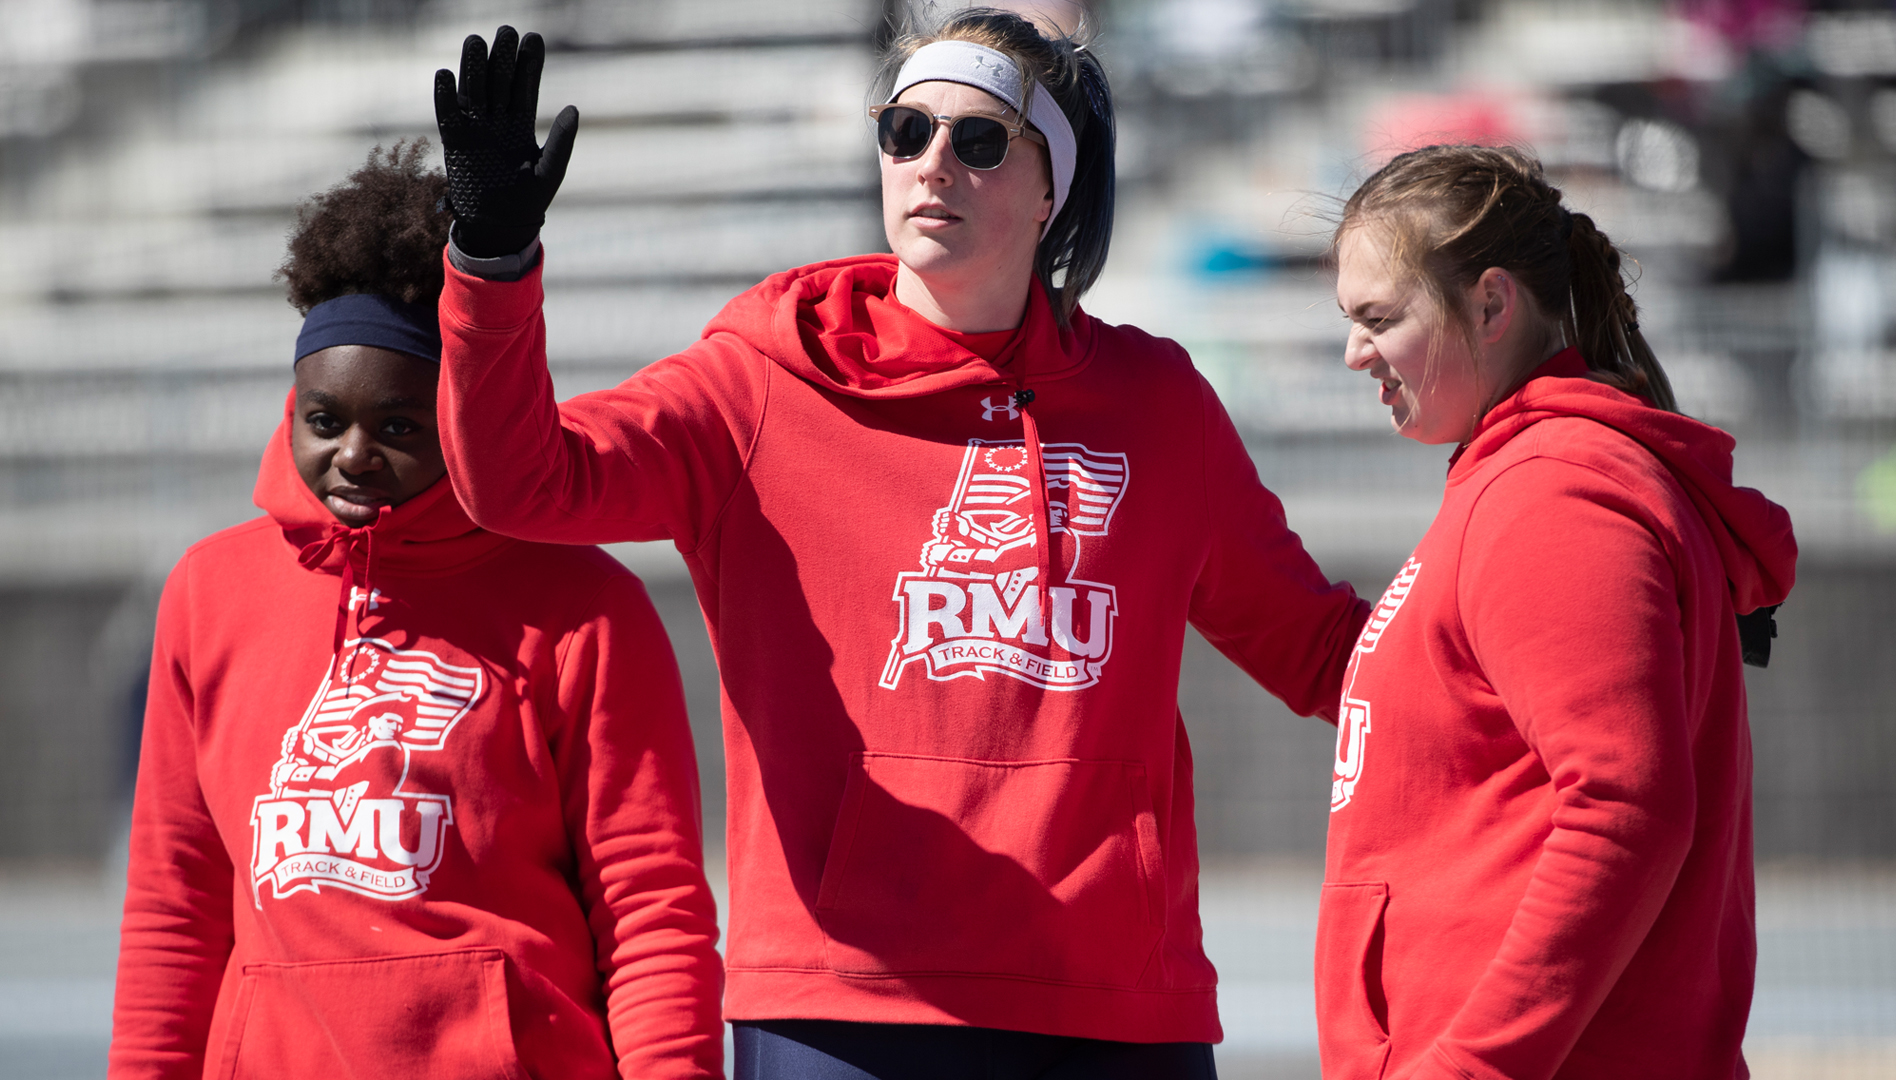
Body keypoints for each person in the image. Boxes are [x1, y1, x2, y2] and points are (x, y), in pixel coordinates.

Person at [429, 10, 1372, 1078]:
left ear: (1052, 186)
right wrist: (492, 263)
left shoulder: (1158, 408)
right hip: (843, 1005)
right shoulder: (757, 381)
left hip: (1114, 1007)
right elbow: (520, 481)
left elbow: (1323, 651)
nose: (933, 166)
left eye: (981, 142)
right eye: (906, 131)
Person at [107, 142, 722, 1080]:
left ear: (460, 413)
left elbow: (649, 910)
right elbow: (174, 902)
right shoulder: (206, 590)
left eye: (398, 426)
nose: (354, 455)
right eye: (325, 421)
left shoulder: (585, 607)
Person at [1320, 144, 1798, 1080]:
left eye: (1380, 318)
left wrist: (1472, 1066)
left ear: (1492, 304)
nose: (1353, 352)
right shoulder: (1528, 478)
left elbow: (1626, 808)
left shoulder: (1551, 495)